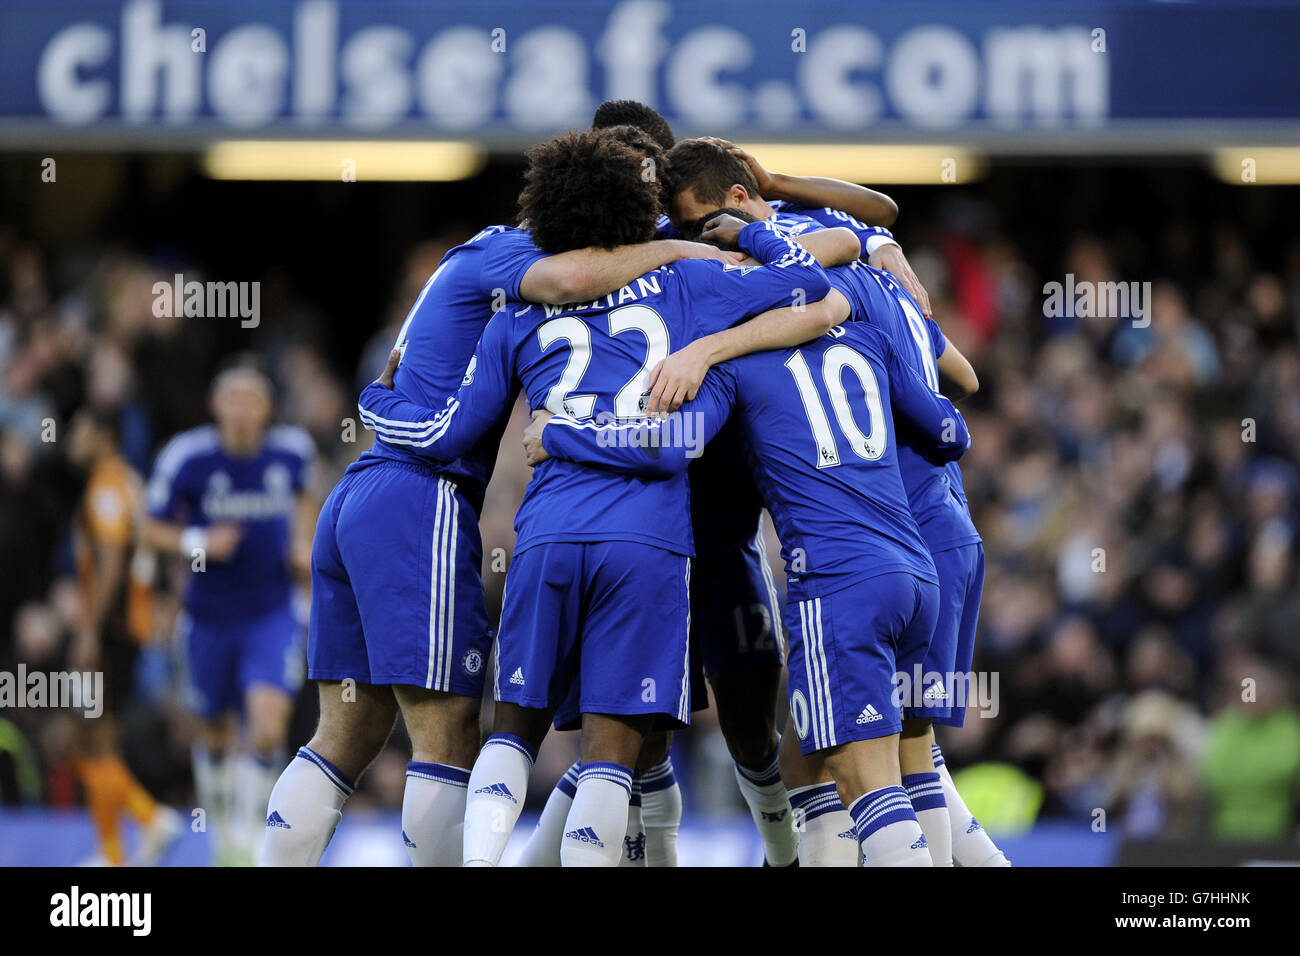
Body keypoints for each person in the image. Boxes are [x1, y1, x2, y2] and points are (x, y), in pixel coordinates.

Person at [258, 136, 753, 869]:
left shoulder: (470, 258)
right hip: (420, 499)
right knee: (452, 729)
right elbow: (572, 279)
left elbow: (416, 376)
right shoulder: (513, 263)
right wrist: (681, 252)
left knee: (347, 733)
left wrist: (376, 404)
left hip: (361, 491)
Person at [356, 128, 846, 866]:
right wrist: (742, 234)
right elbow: (808, 281)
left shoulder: (517, 313)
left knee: (510, 734)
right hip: (647, 544)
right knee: (613, 759)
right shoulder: (695, 281)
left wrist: (376, 402)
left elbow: (451, 429)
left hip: (547, 533)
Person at [526, 214, 974, 866]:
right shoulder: (870, 340)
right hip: (915, 571)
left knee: (852, 782)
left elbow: (672, 445)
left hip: (832, 583)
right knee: (900, 764)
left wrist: (559, 434)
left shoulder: (733, 368)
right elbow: (950, 429)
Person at [143, 358, 317, 864]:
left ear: (267, 408)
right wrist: (199, 540)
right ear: (215, 406)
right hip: (207, 617)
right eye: (232, 399)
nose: (241, 410)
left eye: (252, 400)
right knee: (214, 733)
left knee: (266, 725)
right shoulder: (187, 459)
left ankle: (249, 833)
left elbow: (309, 496)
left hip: (271, 612)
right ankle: (222, 834)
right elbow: (148, 527)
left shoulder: (292, 452)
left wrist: (302, 542)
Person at [68, 407, 181, 866]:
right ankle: (113, 853)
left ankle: (149, 818)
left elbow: (113, 559)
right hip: (127, 629)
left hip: (111, 630)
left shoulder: (107, 485)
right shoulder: (129, 481)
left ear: (103, 435)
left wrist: (90, 633)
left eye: (78, 426)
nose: (72, 436)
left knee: (87, 733)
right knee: (98, 739)